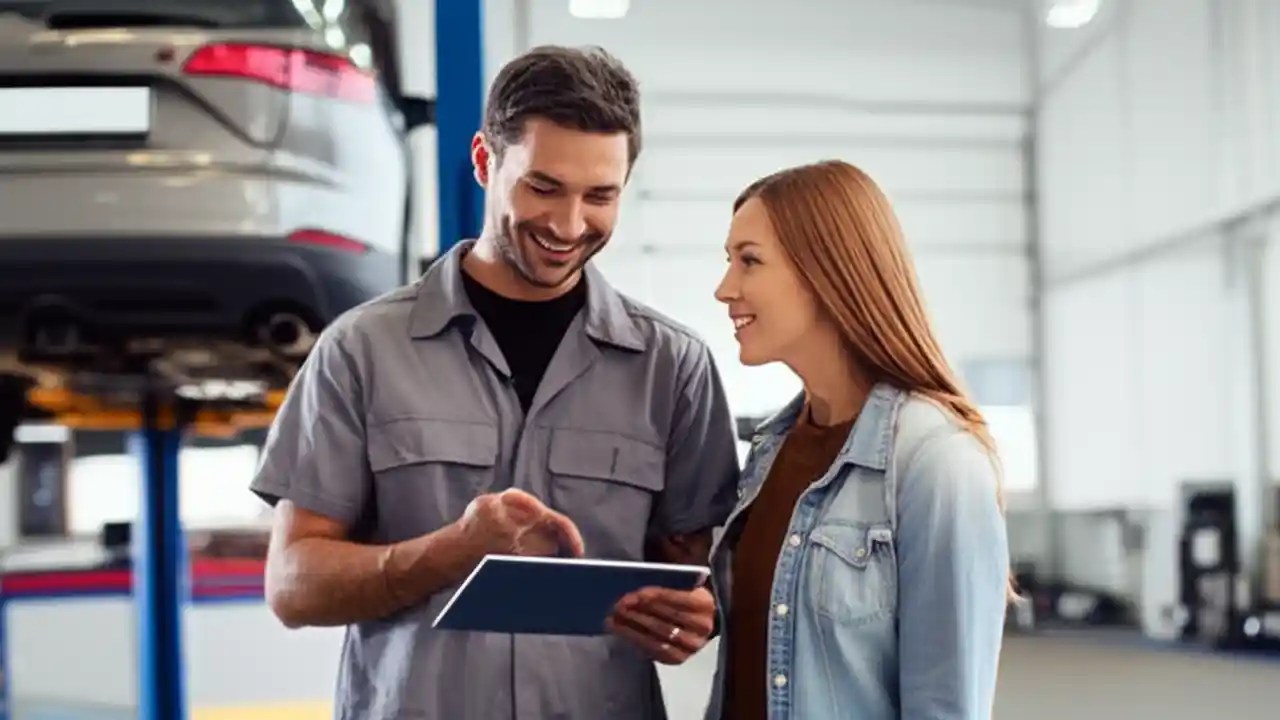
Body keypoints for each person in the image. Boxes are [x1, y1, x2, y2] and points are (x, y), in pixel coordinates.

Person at [249, 45, 740, 720]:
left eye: (600, 196)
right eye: (543, 187)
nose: (569, 225)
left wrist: (697, 617)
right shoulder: (362, 352)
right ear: (485, 161)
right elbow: (292, 586)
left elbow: (701, 578)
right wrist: (450, 553)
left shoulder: (672, 368)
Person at [703, 160, 1012, 720]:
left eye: (749, 261)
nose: (725, 289)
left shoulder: (936, 462)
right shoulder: (770, 452)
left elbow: (946, 706)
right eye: (729, 261)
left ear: (825, 270)